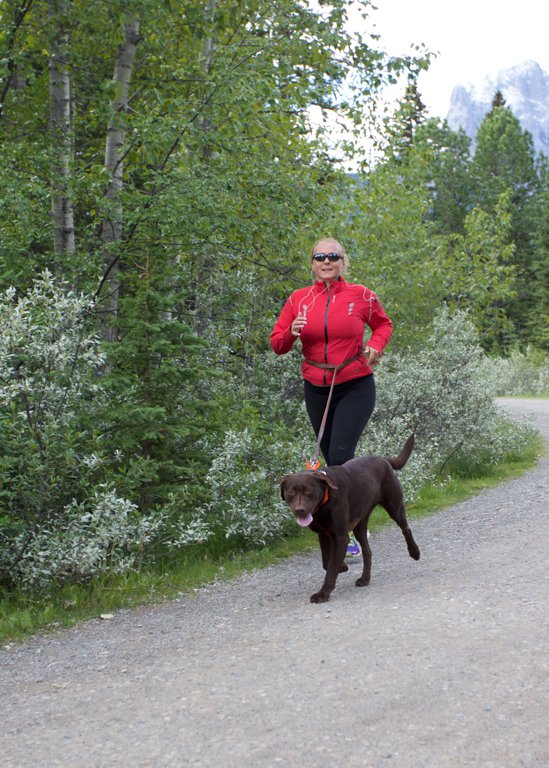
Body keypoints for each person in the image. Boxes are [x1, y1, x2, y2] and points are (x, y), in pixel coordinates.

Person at [270, 237, 393, 557]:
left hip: (355, 382)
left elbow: (383, 325)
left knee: (339, 456)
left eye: (333, 257)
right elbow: (277, 344)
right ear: (311, 263)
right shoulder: (298, 300)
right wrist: (291, 333)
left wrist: (376, 346)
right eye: (320, 257)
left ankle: (344, 532)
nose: (327, 262)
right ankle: (344, 523)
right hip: (316, 386)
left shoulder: (361, 295)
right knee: (329, 459)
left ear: (343, 262)